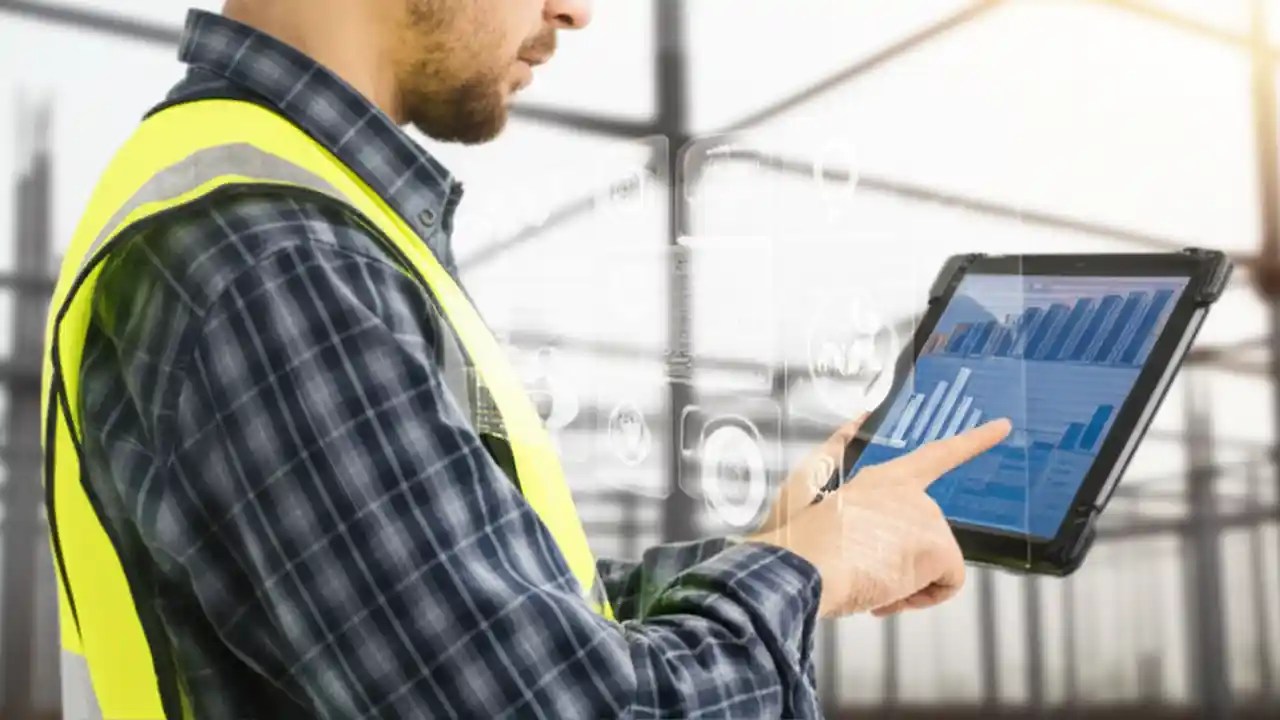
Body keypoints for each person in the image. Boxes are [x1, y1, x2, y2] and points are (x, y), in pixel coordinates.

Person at [40, 1, 1012, 718]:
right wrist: (811, 570)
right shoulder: (276, 259)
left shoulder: (282, 210)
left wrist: (776, 548)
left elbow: (515, 622)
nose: (576, 10)